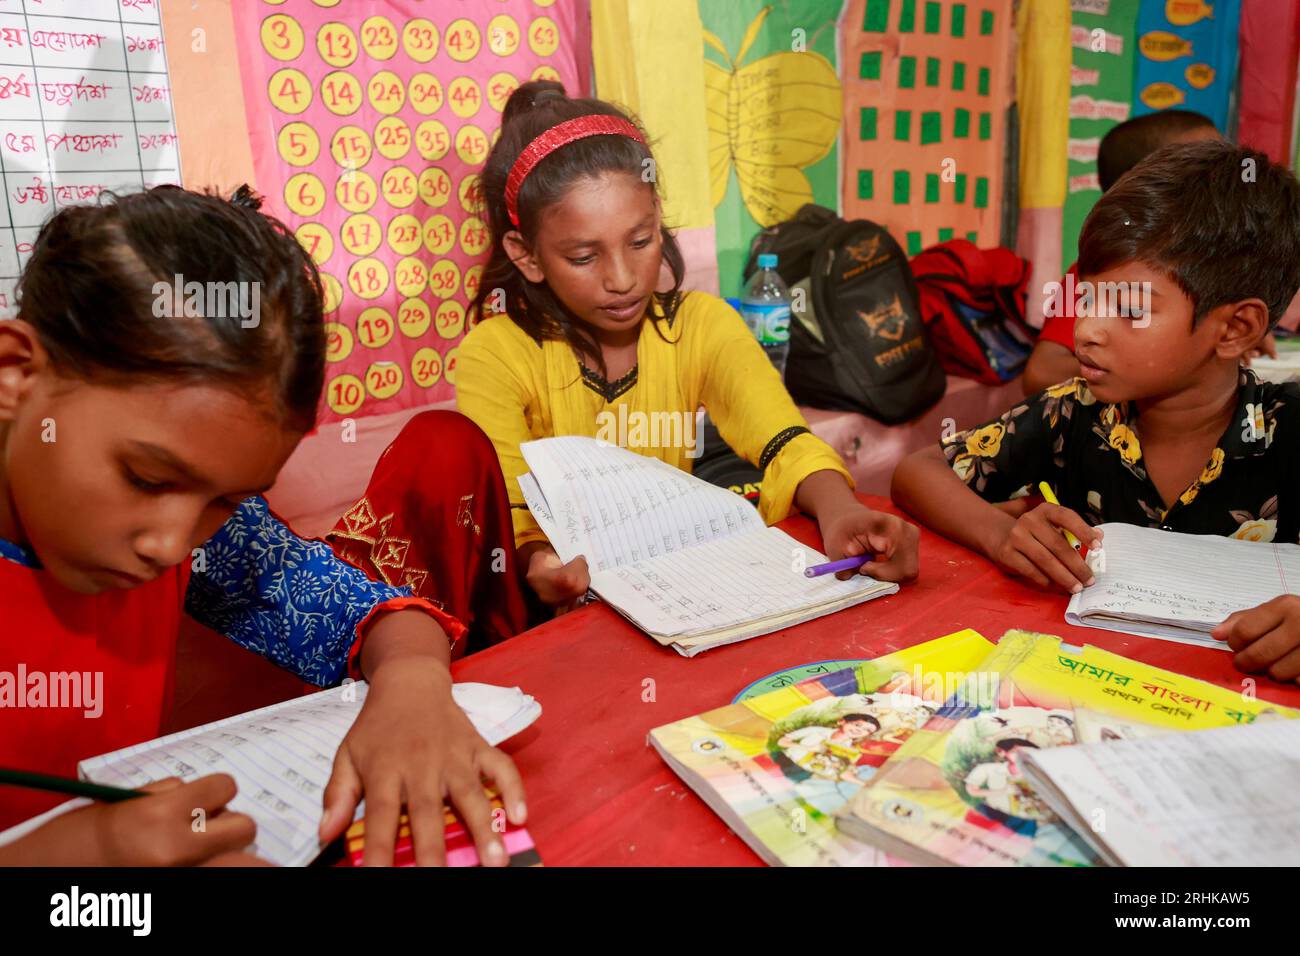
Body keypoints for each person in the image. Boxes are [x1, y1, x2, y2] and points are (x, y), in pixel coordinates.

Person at [0, 186, 524, 866]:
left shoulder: (210, 536)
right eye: (147, 479)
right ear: (16, 373)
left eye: (226, 500)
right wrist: (83, 852)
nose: (173, 544)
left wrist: (413, 689)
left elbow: (368, 614)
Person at [454, 81, 920, 608]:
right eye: (584, 257)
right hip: (561, 612)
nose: (624, 278)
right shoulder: (495, 355)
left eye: (641, 240)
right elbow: (514, 512)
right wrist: (542, 562)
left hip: (676, 595)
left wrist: (841, 510)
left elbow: (784, 441)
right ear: (526, 254)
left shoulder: (699, 325)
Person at [892, 141, 1300, 684]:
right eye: (1086, 300)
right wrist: (999, 533)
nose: (1086, 329)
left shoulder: (1289, 429)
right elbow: (917, 471)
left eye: (1129, 309)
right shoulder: (1075, 412)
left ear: (1235, 329)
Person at [1021, 110, 1229, 394]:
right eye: (1206, 175)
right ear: (1142, 190)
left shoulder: (1218, 263)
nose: (1229, 185)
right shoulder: (1104, 274)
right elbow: (1041, 374)